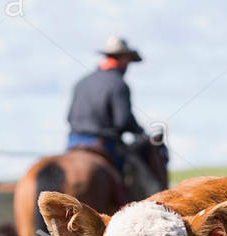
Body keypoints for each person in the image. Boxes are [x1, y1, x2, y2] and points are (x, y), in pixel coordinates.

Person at [66, 35, 163, 198]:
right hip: (104, 145)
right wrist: (139, 131)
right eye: (128, 61)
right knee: (143, 178)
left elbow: (70, 117)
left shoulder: (81, 82)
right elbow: (123, 121)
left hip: (73, 143)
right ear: (123, 59)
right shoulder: (118, 84)